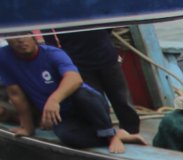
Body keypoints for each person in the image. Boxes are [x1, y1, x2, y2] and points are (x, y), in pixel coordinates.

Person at [0, 35, 143, 152]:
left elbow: (74, 78)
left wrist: (54, 100)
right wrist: (27, 127)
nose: (20, 40)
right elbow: (15, 94)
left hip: (84, 105)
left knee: (81, 93)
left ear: (34, 38)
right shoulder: (4, 57)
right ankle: (119, 135)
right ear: (6, 39)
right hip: (60, 115)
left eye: (25, 35)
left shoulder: (52, 53)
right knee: (67, 137)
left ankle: (110, 135)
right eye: (14, 37)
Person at [53, 28, 141, 137]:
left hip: (107, 60)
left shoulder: (92, 11)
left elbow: (107, 26)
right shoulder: (54, 16)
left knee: (122, 99)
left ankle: (132, 132)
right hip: (80, 65)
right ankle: (108, 135)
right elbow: (52, 41)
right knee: (97, 103)